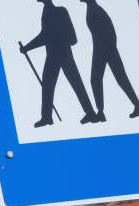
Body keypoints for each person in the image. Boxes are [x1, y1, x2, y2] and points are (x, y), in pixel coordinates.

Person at [21, 0, 98, 128]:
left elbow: (44, 36)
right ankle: (88, 113)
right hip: (62, 53)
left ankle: (48, 117)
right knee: (64, 84)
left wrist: (27, 47)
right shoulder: (58, 11)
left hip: (57, 55)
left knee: (52, 85)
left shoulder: (52, 12)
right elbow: (64, 35)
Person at [80, 0, 139, 122]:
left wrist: (107, 49)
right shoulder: (93, 9)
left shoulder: (96, 10)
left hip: (104, 50)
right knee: (105, 79)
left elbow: (110, 31)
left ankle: (135, 106)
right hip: (102, 49)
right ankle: (102, 112)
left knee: (112, 79)